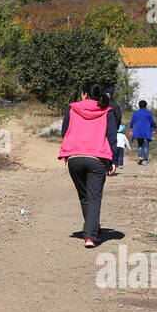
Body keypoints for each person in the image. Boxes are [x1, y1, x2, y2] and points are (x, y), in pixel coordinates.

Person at [58, 82, 117, 248]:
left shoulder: (72, 109)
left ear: (84, 94)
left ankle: (94, 229)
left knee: (84, 196)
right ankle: (90, 236)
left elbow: (65, 132)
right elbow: (112, 137)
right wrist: (112, 160)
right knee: (94, 197)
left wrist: (68, 152)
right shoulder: (106, 111)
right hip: (97, 159)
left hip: (75, 158)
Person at [129, 99, 157, 165]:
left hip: (138, 132)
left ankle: (140, 157)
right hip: (146, 132)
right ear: (146, 105)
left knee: (140, 145)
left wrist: (131, 130)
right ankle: (145, 160)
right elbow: (152, 122)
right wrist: (156, 129)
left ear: (139, 106)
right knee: (146, 146)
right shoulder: (148, 113)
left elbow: (132, 122)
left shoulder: (135, 113)